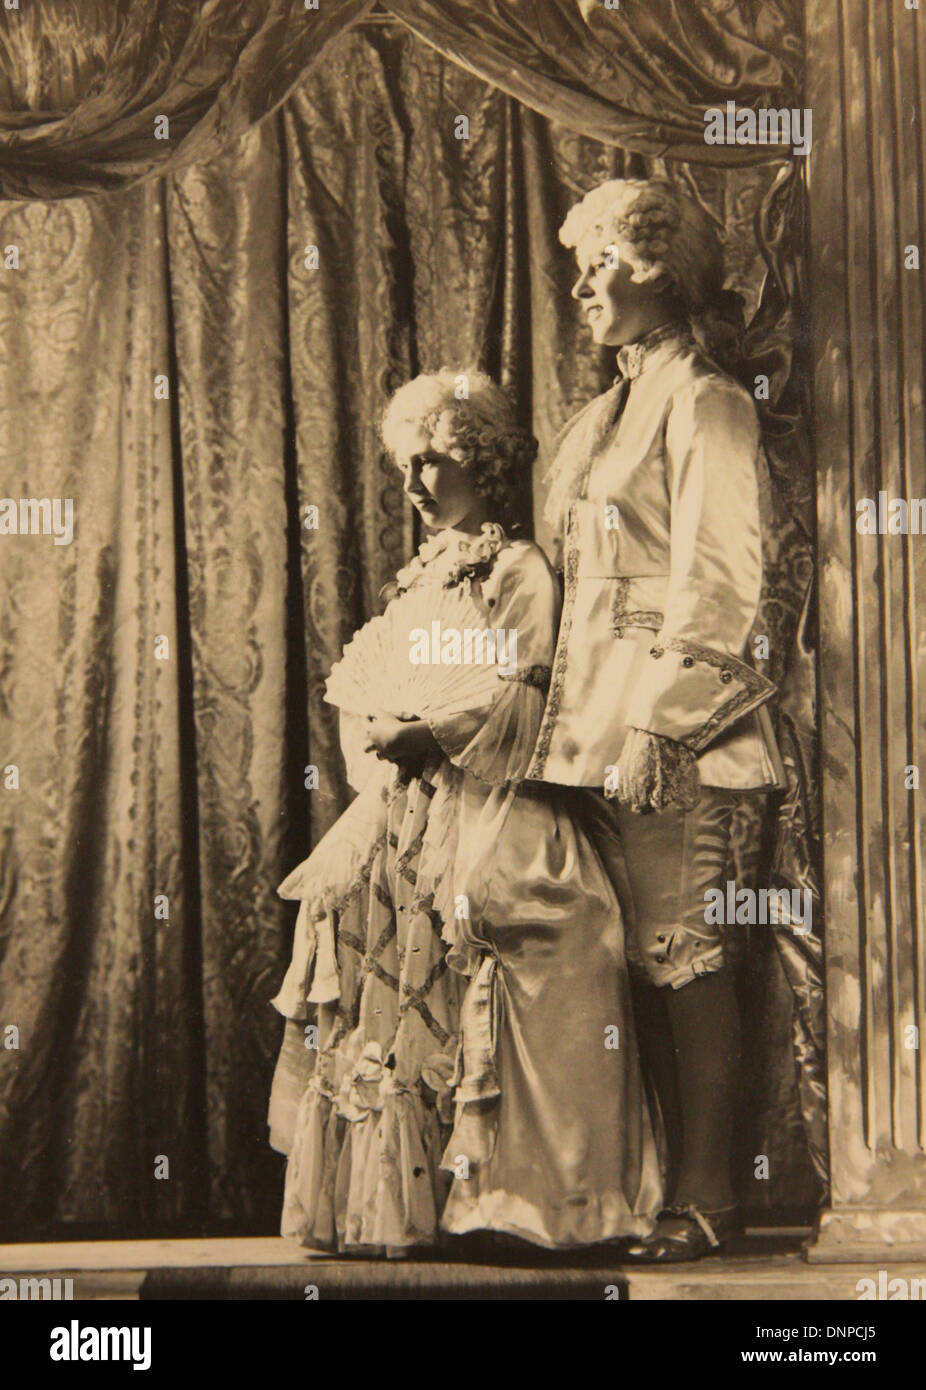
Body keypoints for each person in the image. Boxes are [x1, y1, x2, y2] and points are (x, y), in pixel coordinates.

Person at [267, 369, 661, 1254]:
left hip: (499, 799)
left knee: (531, 925)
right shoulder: (420, 578)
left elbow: (526, 703)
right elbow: (375, 692)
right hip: (412, 807)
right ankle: (397, 1203)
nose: (413, 484)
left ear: (481, 464)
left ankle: (514, 1203)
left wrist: (434, 735)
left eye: (433, 462)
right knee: (351, 925)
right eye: (407, 464)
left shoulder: (519, 569)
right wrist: (378, 729)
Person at [527, 178, 786, 1262]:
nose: (583, 284)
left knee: (687, 961)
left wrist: (661, 723)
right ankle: (640, 1193)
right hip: (589, 738)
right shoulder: (600, 417)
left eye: (603, 262)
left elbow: (721, 580)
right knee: (626, 966)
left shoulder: (704, 400)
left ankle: (707, 1199)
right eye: (581, 264)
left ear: (660, 269)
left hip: (679, 740)